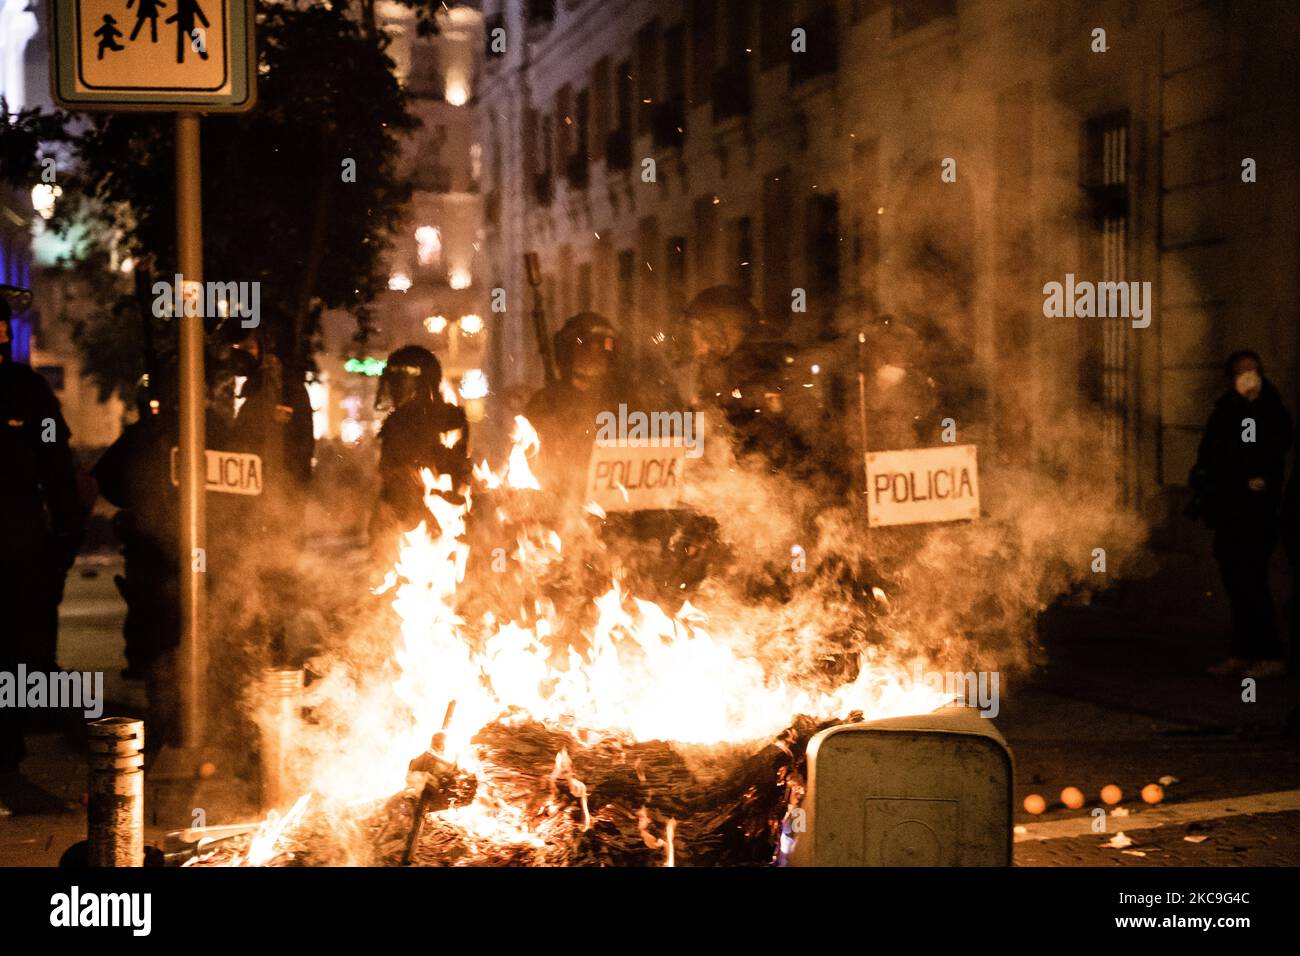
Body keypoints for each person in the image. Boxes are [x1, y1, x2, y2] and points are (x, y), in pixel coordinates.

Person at [0, 294, 85, 803]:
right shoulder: (27, 394)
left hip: (16, 549)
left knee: (16, 656)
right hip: (19, 547)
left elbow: (55, 466)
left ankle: (7, 765)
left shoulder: (27, 395)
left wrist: (65, 540)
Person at [1188, 350, 1293, 677]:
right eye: (1240, 372)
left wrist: (1254, 410)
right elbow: (1212, 451)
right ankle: (1243, 651)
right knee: (1235, 583)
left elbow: (1271, 448)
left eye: (1253, 371)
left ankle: (1270, 654)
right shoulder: (1226, 409)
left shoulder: (1269, 407)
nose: (1247, 377)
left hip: (1256, 513)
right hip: (1229, 510)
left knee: (1253, 583)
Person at [370, 346, 470, 566]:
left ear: (417, 381)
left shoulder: (403, 421)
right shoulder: (452, 417)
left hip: (416, 516)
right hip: (441, 517)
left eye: (399, 381)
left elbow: (392, 472)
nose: (394, 389)